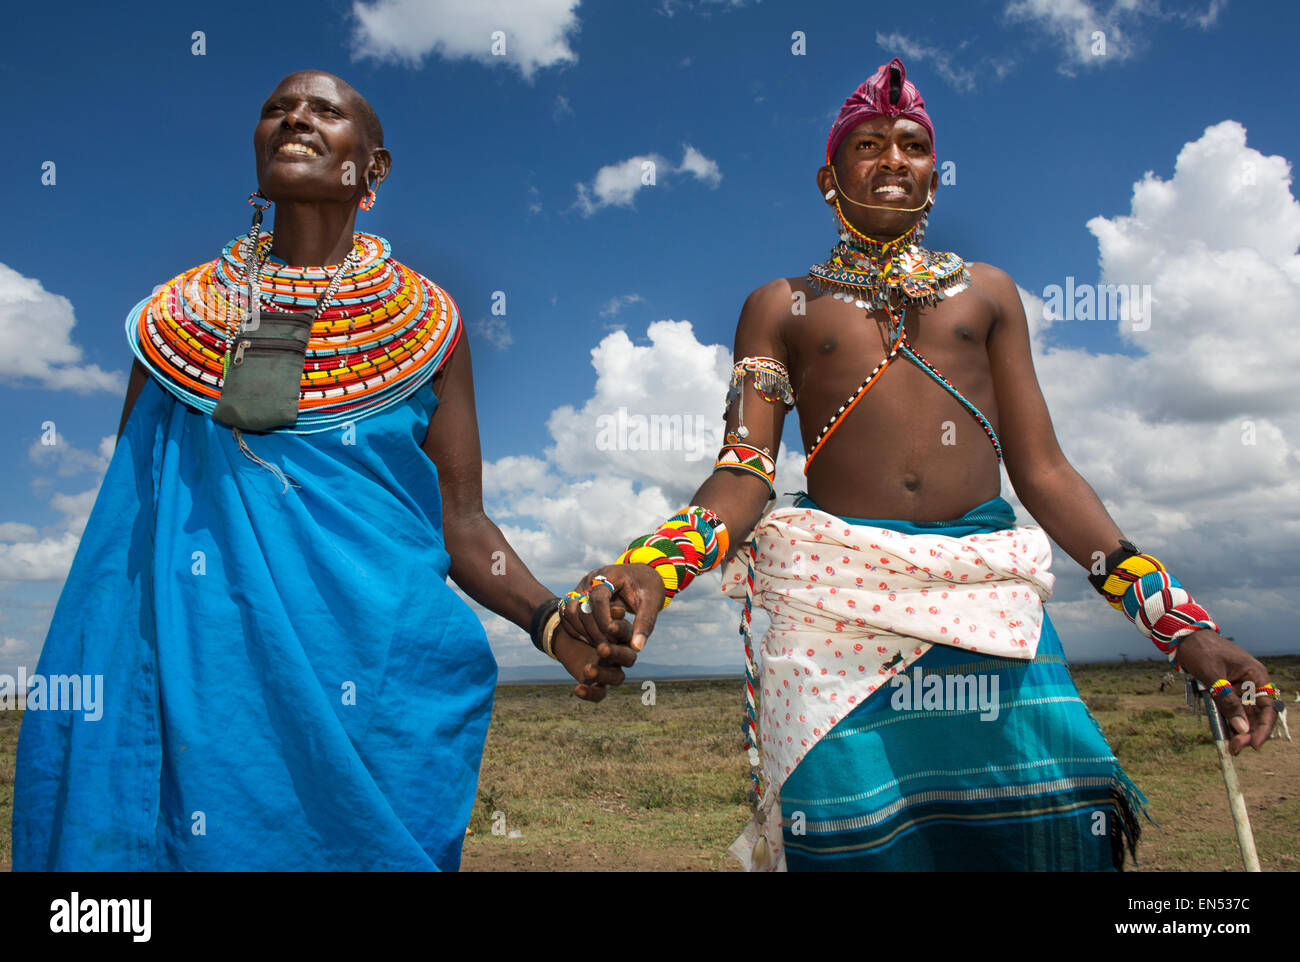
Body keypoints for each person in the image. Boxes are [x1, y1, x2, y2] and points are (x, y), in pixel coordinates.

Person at [562, 59, 1279, 871]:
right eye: (867, 144)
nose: (893, 159)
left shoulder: (988, 296)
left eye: (912, 144)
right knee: (853, 845)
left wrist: (1180, 625)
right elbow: (745, 473)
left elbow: (1043, 474)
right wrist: (652, 567)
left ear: (935, 174)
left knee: (1051, 830)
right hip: (834, 616)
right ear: (828, 177)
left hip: (989, 604)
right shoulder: (779, 307)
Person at [12, 69, 634, 871]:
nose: (295, 117)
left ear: (372, 170)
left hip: (380, 677)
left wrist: (552, 623)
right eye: (276, 108)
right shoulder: (177, 320)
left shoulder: (429, 321)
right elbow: (132, 528)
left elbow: (462, 520)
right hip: (210, 690)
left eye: (325, 110)